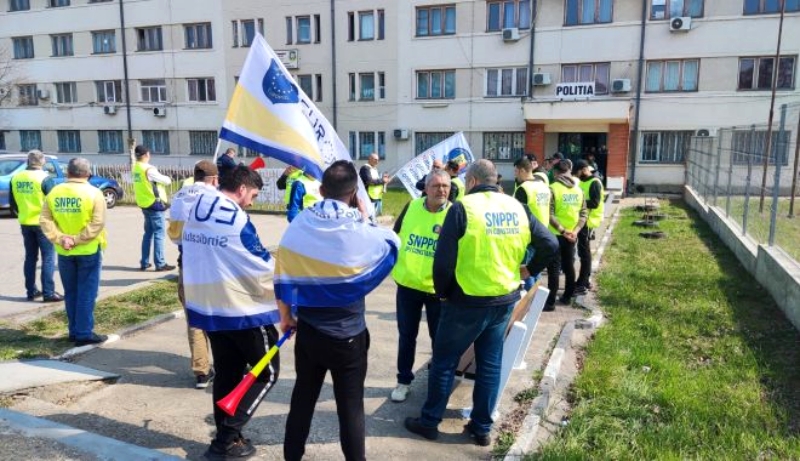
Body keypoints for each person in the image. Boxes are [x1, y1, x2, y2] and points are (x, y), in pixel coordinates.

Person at [404, 159, 558, 447]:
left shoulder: (463, 208)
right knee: (490, 364)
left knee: (444, 361)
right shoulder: (517, 208)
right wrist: (528, 268)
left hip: (466, 301)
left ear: (472, 182)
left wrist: (443, 293)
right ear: (496, 180)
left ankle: (429, 422)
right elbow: (550, 244)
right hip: (503, 300)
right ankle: (482, 427)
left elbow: (443, 262)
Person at [276, 160, 400, 461]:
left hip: (308, 332)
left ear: (321, 190)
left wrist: (286, 318)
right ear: (355, 192)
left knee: (302, 401)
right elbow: (392, 245)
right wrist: (365, 216)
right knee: (351, 409)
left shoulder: (300, 224)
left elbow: (282, 277)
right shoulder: (358, 227)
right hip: (348, 335)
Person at [182, 165, 280, 460]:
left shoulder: (198, 205)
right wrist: (287, 284)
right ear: (241, 189)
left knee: (228, 374)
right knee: (268, 373)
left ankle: (231, 436)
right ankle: (223, 441)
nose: (251, 201)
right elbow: (259, 261)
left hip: (207, 306)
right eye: (252, 194)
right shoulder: (236, 217)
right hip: (241, 310)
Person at [390, 170, 452, 403]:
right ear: (426, 188)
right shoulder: (411, 207)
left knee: (439, 338)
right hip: (407, 285)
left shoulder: (455, 213)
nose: (441, 190)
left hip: (438, 290)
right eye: (436, 186)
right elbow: (395, 236)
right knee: (407, 336)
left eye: (445, 186)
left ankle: (436, 384)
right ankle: (403, 381)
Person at [40, 158, 107, 346]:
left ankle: (74, 330)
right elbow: (97, 223)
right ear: (88, 174)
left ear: (68, 172)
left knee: (71, 292)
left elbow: (45, 220)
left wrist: (61, 238)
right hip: (88, 249)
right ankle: (84, 333)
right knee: (86, 293)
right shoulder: (94, 193)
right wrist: (77, 239)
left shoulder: (55, 192)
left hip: (64, 250)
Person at [167, 160, 218, 389]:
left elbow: (175, 236)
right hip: (213, 266)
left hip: (187, 264)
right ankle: (227, 363)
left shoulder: (179, 196)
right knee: (220, 316)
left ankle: (201, 372)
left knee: (195, 320)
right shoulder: (217, 200)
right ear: (214, 180)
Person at [10, 150, 62, 303]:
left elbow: (13, 204)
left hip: (25, 222)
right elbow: (54, 202)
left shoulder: (16, 177)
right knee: (48, 258)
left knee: (30, 258)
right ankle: (48, 292)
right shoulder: (44, 178)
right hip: (43, 223)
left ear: (28, 161)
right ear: (42, 161)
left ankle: (31, 291)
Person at [545, 159, 588, 311]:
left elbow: (549, 214)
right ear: (569, 172)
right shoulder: (579, 190)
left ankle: (550, 303)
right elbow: (583, 214)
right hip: (572, 235)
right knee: (569, 266)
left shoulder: (552, 189)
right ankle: (567, 297)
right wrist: (574, 231)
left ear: (556, 173)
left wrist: (562, 230)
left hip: (556, 234)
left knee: (554, 269)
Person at [132, 145, 175, 272]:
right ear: (146, 154)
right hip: (154, 203)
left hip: (144, 203)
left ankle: (144, 262)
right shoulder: (148, 169)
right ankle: (160, 263)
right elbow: (166, 181)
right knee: (159, 234)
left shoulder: (136, 168)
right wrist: (168, 177)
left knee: (148, 233)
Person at [513, 157, 551, 291]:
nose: (515, 174)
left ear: (523, 170)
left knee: (526, 272)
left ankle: (529, 304)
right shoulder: (543, 186)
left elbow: (517, 214)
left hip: (527, 238)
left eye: (516, 171)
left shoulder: (523, 189)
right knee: (536, 270)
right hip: (542, 233)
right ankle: (536, 301)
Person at [575, 160, 604, 295]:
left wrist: (578, 203)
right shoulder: (583, 182)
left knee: (585, 254)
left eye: (579, 172)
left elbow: (595, 203)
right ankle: (584, 280)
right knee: (582, 252)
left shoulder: (595, 183)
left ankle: (583, 282)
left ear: (585, 169)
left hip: (589, 221)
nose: (577, 175)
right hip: (583, 221)